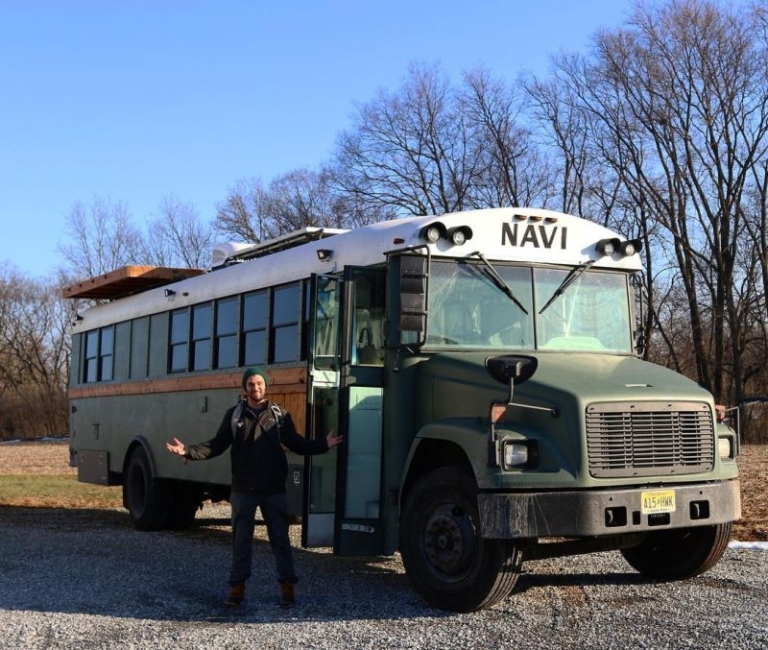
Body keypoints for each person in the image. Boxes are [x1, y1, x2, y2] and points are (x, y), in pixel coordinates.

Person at [166, 366, 343, 609]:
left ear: (266, 386)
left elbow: (297, 444)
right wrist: (188, 451)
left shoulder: (280, 415)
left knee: (280, 540)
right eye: (251, 384)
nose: (255, 388)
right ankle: (237, 589)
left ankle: (287, 589)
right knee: (241, 541)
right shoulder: (235, 415)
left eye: (259, 383)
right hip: (243, 490)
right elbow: (217, 445)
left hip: (274, 490)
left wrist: (324, 444)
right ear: (245, 388)